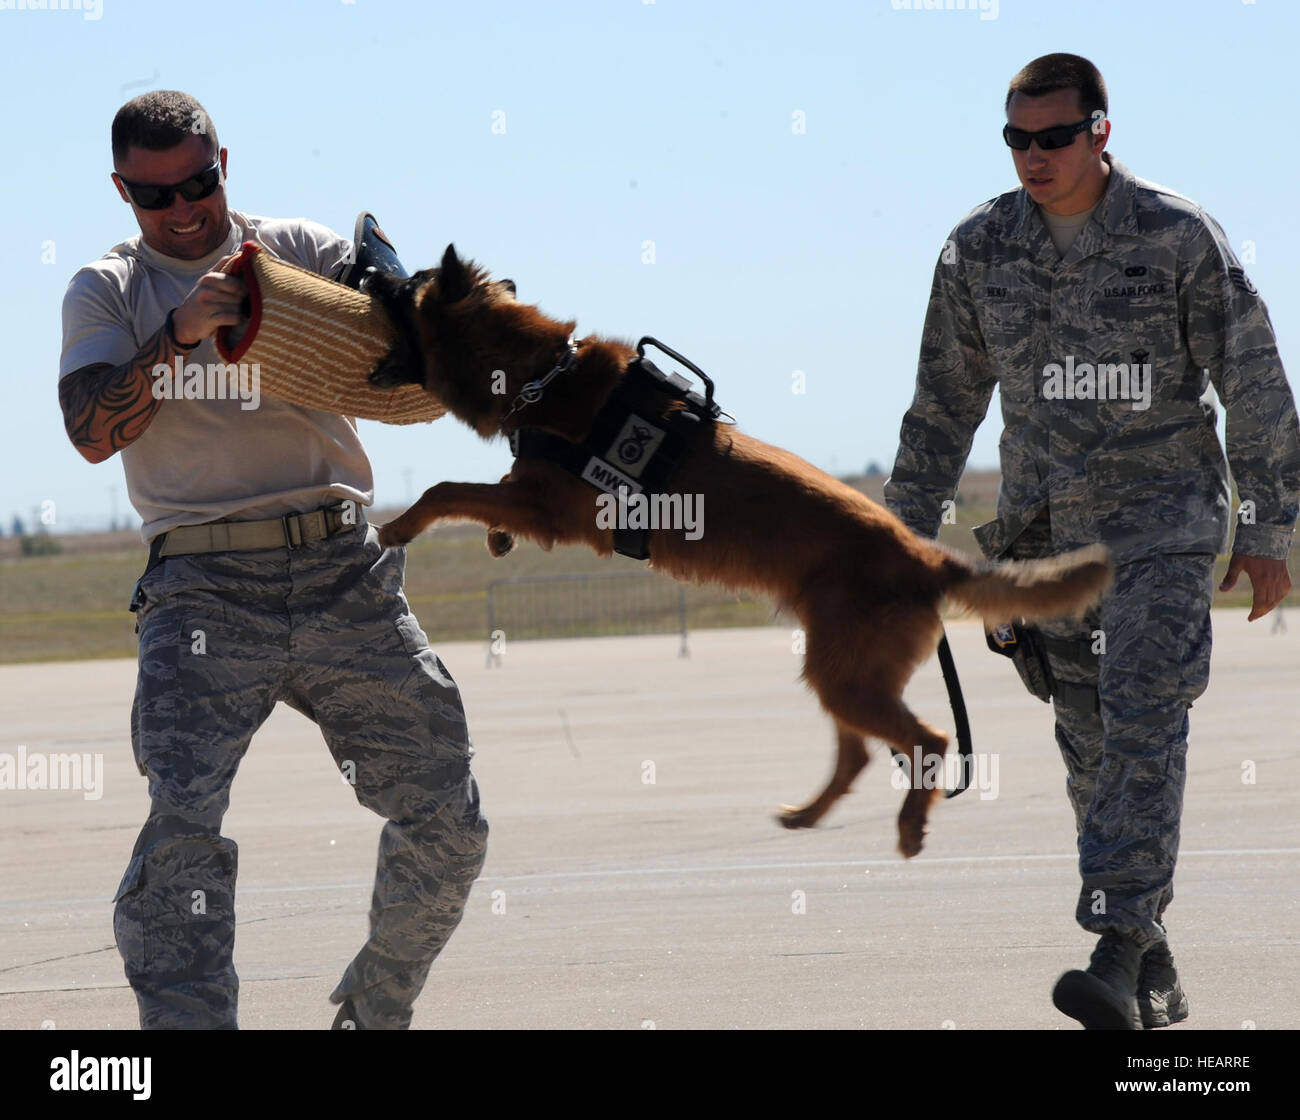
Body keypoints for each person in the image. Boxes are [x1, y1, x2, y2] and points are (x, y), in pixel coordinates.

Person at [883, 54, 1300, 1029]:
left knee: (1144, 706)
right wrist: (894, 544)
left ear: (1099, 132)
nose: (1034, 155)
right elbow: (940, 412)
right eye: (1017, 139)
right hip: (1041, 542)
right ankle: (1151, 963)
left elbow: (1255, 380)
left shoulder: (1174, 236)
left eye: (1054, 137)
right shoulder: (977, 251)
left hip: (1163, 524)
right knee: (1091, 743)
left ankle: (1113, 942)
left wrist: (1268, 526)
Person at [58, 90, 488, 1030]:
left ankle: (374, 1012)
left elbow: (408, 338)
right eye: (155, 195)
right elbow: (91, 432)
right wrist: (175, 338)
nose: (184, 210)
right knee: (180, 836)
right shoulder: (109, 289)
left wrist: (410, 301)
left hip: (341, 568)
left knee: (449, 824)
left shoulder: (296, 250)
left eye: (200, 184)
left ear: (225, 164)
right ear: (123, 192)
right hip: (200, 589)